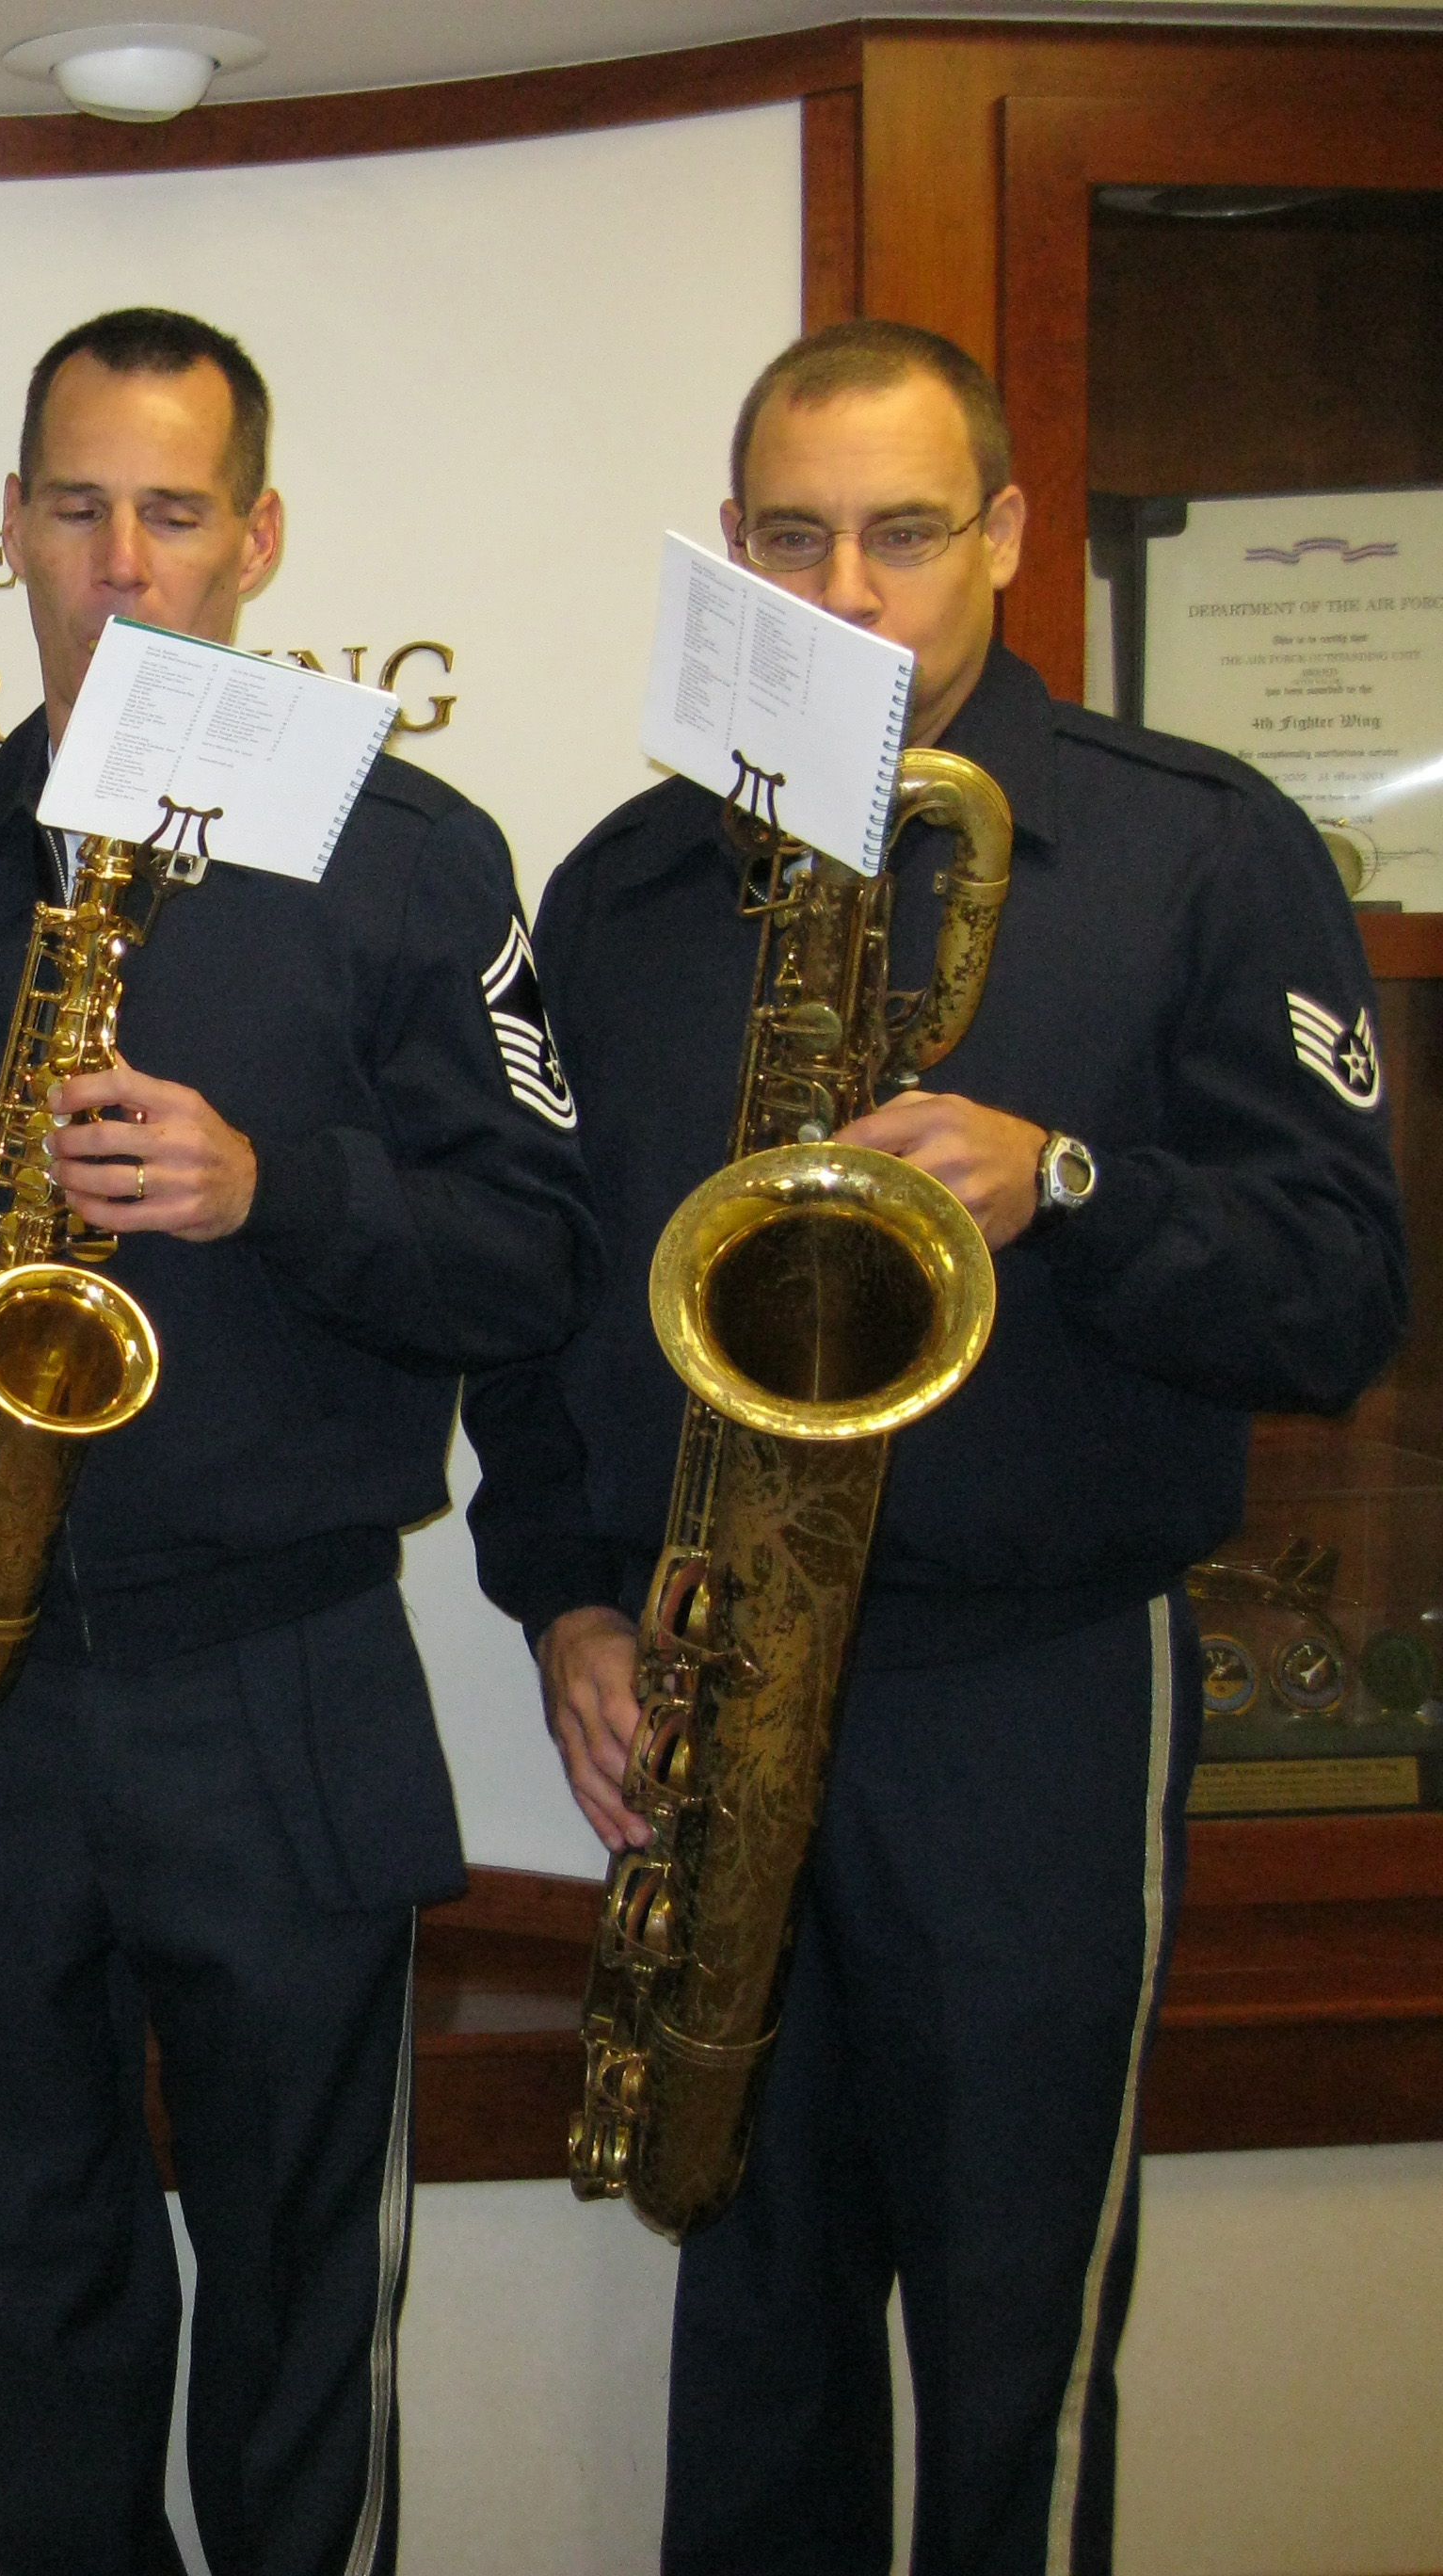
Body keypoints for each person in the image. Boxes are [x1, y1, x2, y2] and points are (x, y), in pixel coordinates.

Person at [463, 319, 1407, 2574]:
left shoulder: (1199, 849)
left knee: (1011, 2350)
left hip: (1040, 1692)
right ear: (735, 554)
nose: (852, 592)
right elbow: (550, 1298)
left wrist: (1068, 1182)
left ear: (1004, 533)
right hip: (717, 1678)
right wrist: (571, 1598)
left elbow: (1339, 1298)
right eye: (795, 540)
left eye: (905, 531)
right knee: (754, 2319)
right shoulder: (623, 890)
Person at [0, 307, 601, 2575]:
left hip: (289, 1675)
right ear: (10, 530)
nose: (119, 564)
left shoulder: (415, 852)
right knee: (33, 2295)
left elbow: (534, 1256)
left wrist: (277, 1188)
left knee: (302, 2312)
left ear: (257, 541)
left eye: (170, 510)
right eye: (74, 505)